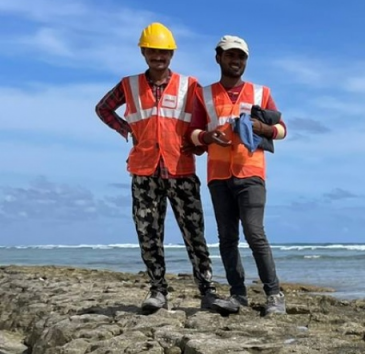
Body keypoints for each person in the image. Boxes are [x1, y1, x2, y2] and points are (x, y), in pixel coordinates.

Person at [95, 23, 241, 315]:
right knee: (148, 234)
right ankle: (157, 291)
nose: (158, 56)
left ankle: (208, 292)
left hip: (181, 168)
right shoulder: (129, 85)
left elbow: (202, 121)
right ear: (144, 52)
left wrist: (200, 144)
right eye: (152, 51)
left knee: (194, 233)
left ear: (171, 54)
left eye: (163, 52)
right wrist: (125, 129)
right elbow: (103, 108)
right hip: (143, 170)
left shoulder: (190, 86)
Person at [186, 35, 288, 315]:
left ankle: (274, 295)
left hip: (251, 173)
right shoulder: (203, 94)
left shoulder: (260, 92)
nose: (236, 61)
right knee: (227, 237)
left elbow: (282, 130)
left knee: (255, 233)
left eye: (241, 57)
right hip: (218, 175)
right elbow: (192, 133)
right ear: (218, 57)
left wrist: (263, 128)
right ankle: (238, 295)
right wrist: (207, 136)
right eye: (231, 55)